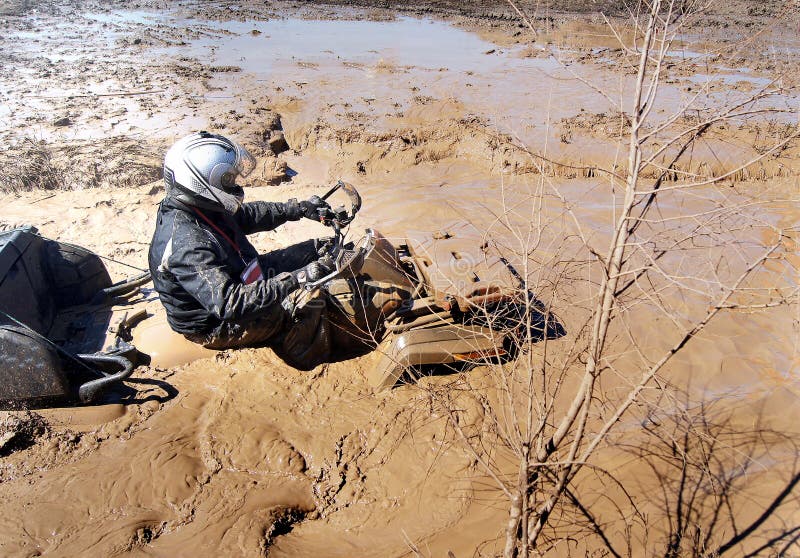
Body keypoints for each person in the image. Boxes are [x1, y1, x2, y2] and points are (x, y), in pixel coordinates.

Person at [148, 131, 334, 369]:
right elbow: (230, 303)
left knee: (315, 249)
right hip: (215, 324)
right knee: (305, 301)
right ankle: (310, 355)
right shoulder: (187, 244)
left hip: (242, 273)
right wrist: (300, 277)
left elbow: (247, 215)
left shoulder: (198, 204)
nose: (234, 184)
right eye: (227, 180)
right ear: (199, 182)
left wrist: (297, 209)